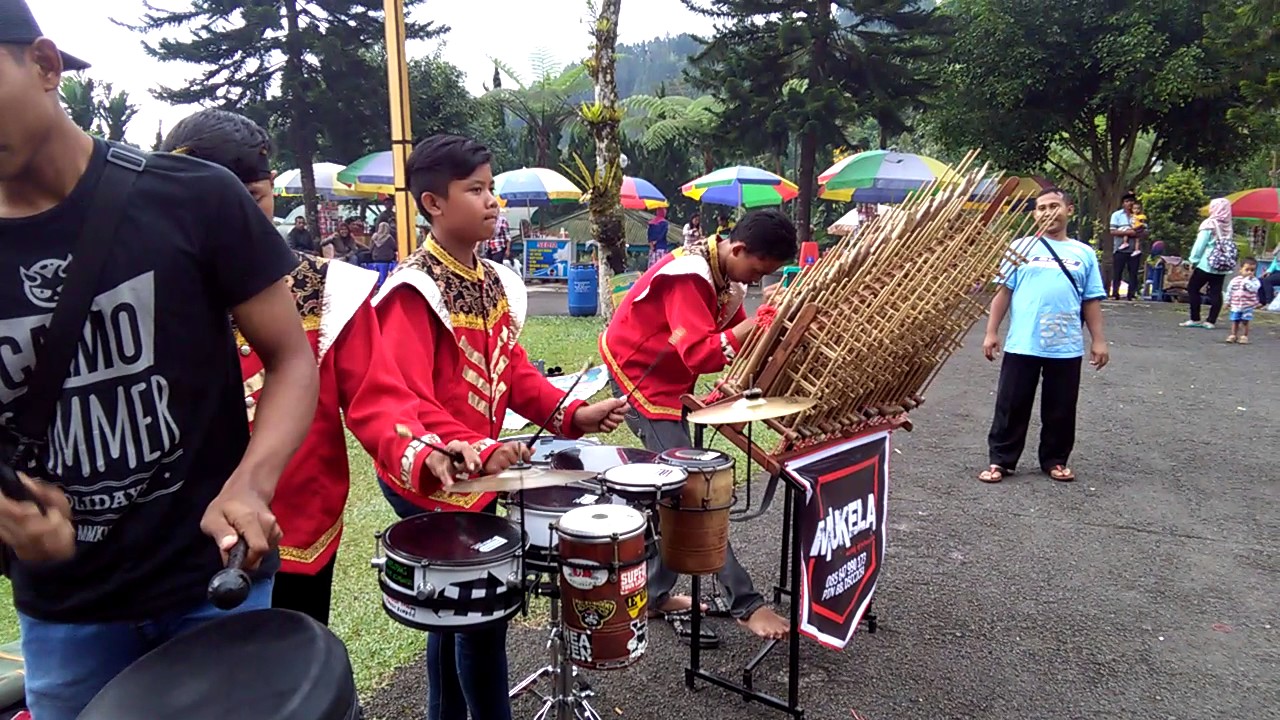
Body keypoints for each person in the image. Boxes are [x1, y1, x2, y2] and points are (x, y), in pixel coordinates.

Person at [0, 9, 321, 719]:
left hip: (210, 582)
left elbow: (291, 357)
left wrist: (251, 483)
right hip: (64, 614)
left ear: (46, 66)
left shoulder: (195, 199)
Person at [159, 109, 473, 627]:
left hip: (296, 532)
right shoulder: (141, 287)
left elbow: (381, 398)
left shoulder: (327, 291)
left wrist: (423, 449)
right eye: (217, 202)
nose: (239, 221)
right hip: (169, 538)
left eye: (254, 198)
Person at [359, 133, 629, 720]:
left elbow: (514, 371)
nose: (491, 202)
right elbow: (402, 395)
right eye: (476, 190)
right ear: (433, 203)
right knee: (482, 613)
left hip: (479, 473)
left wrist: (572, 413)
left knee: (455, 614)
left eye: (492, 189)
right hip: (429, 472)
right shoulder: (414, 289)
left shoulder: (488, 279)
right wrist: (472, 447)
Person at [600, 209, 797, 642]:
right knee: (691, 488)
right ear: (739, 249)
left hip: (670, 379)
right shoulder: (690, 274)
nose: (759, 278)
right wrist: (753, 324)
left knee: (672, 489)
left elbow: (721, 342)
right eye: (759, 269)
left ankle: (652, 595)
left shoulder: (729, 275)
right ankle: (744, 602)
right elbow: (701, 353)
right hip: (639, 377)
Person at [979, 188, 1109, 484]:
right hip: (1023, 342)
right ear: (1034, 214)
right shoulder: (1020, 247)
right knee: (1011, 404)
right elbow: (1004, 292)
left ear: (1069, 210)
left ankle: (1055, 460)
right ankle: (1000, 460)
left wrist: (1098, 340)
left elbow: (1091, 300)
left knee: (1061, 407)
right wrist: (991, 332)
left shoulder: (1083, 253)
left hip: (1066, 345)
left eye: (1054, 206)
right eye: (1041, 208)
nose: (1048, 212)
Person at [1180, 198, 1237, 330]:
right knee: (1216, 292)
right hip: (1222, 264)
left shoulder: (1209, 223)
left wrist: (1193, 260)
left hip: (1206, 263)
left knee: (1193, 288)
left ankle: (1195, 318)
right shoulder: (1228, 224)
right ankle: (1211, 321)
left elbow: (1200, 244)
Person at [1108, 192, 1145, 300]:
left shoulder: (1139, 216)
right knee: (1117, 272)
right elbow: (1113, 231)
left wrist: (1137, 233)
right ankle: (1115, 294)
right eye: (1127, 201)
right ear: (1123, 203)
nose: (1129, 203)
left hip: (1135, 249)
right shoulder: (1117, 215)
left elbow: (1145, 231)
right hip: (1120, 249)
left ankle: (1131, 294)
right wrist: (1129, 233)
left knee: (1133, 273)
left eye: (1131, 201)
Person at [1225, 258, 1262, 345]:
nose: (1249, 272)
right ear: (1241, 270)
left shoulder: (1255, 281)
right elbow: (1229, 291)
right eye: (1247, 270)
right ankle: (1233, 335)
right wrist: (1227, 301)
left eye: (1252, 270)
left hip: (1248, 305)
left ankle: (1244, 336)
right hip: (1236, 304)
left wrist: (1247, 281)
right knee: (1235, 320)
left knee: (1245, 321)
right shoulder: (1234, 280)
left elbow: (1254, 289)